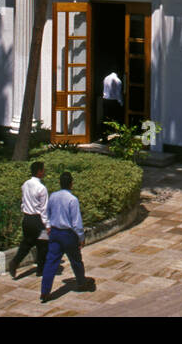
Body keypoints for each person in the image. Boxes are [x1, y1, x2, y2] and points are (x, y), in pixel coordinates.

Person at [40, 171, 95, 302]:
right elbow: (76, 223)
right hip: (68, 234)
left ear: (60, 183)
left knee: (50, 262)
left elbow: (46, 213)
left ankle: (45, 291)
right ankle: (81, 283)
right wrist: (81, 238)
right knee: (76, 260)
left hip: (55, 233)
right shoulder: (72, 199)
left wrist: (48, 227)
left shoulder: (53, 196)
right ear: (71, 184)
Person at [8, 161, 49, 279]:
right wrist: (47, 225)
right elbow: (44, 209)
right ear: (39, 172)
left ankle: (15, 262)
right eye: (43, 170)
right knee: (44, 244)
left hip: (27, 219)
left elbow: (23, 201)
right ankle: (41, 269)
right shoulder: (42, 188)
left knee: (27, 243)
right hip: (38, 220)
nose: (44, 172)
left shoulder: (25, 184)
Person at [101, 68, 124, 139]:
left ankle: (104, 137)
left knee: (105, 119)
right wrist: (121, 103)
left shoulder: (106, 78)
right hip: (114, 101)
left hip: (105, 100)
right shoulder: (118, 81)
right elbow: (118, 94)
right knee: (116, 119)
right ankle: (119, 136)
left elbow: (104, 89)